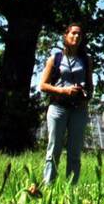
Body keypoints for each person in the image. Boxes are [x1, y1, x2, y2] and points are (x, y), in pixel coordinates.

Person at [37, 23, 93, 185]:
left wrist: (86, 95)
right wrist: (63, 91)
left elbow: (90, 85)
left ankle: (71, 189)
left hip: (78, 110)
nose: (76, 37)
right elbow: (43, 85)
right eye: (73, 33)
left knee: (74, 152)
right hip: (58, 108)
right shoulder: (55, 59)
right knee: (54, 149)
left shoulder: (86, 60)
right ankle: (48, 186)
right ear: (65, 36)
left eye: (79, 35)